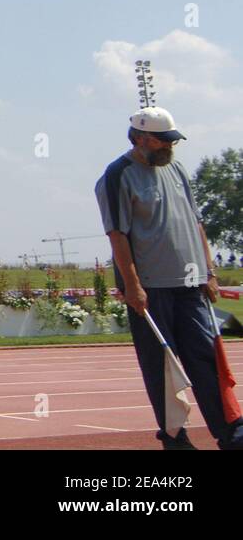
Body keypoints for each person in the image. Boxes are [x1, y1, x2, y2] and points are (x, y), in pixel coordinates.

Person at [95, 105, 243, 450]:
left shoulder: (175, 168)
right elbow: (117, 235)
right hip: (152, 289)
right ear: (142, 138)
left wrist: (209, 271)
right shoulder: (117, 175)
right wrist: (132, 286)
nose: (170, 147)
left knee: (207, 357)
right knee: (163, 367)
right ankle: (176, 438)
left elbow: (196, 222)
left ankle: (231, 431)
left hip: (192, 285)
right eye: (163, 141)